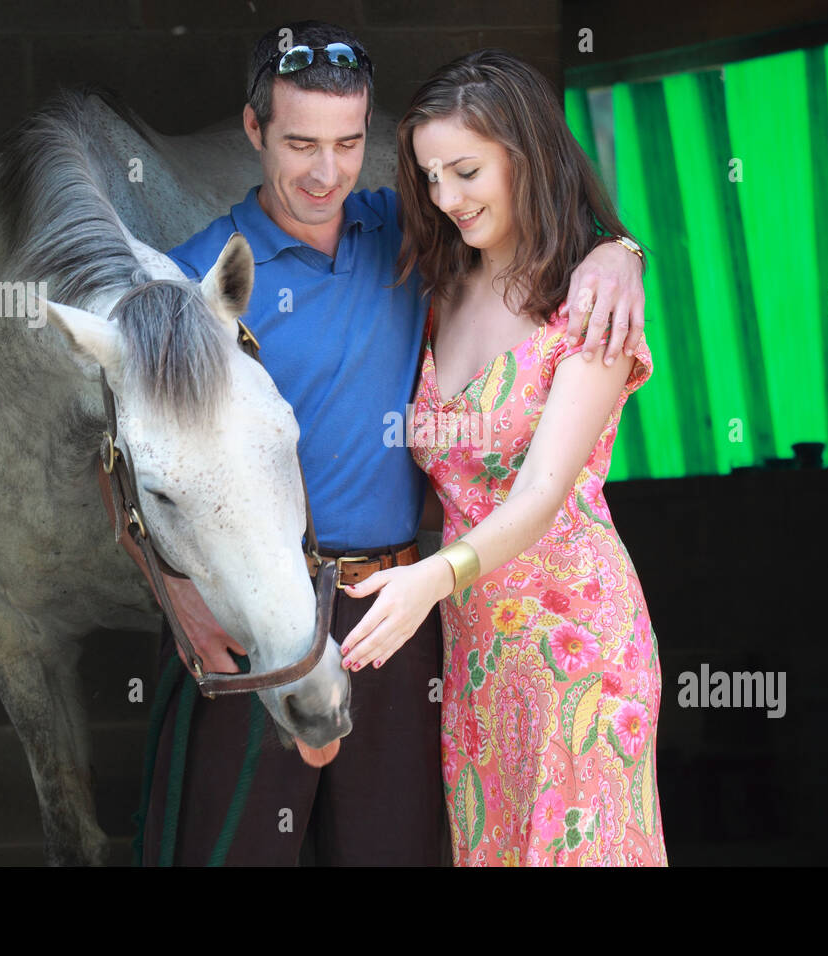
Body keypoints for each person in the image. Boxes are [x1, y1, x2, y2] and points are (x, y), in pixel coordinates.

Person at [135, 22, 649, 866]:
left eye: (348, 143)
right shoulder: (190, 282)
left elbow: (538, 229)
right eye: (300, 142)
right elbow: (124, 458)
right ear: (254, 130)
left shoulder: (406, 238)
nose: (325, 172)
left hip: (406, 606)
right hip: (254, 611)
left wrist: (618, 251)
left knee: (400, 849)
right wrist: (178, 594)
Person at [337, 49, 667, 866]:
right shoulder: (438, 289)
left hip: (578, 644)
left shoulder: (587, 306)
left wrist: (620, 250)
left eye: (466, 170)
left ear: (525, 153)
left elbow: (541, 494)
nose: (446, 198)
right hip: (478, 649)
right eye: (431, 177)